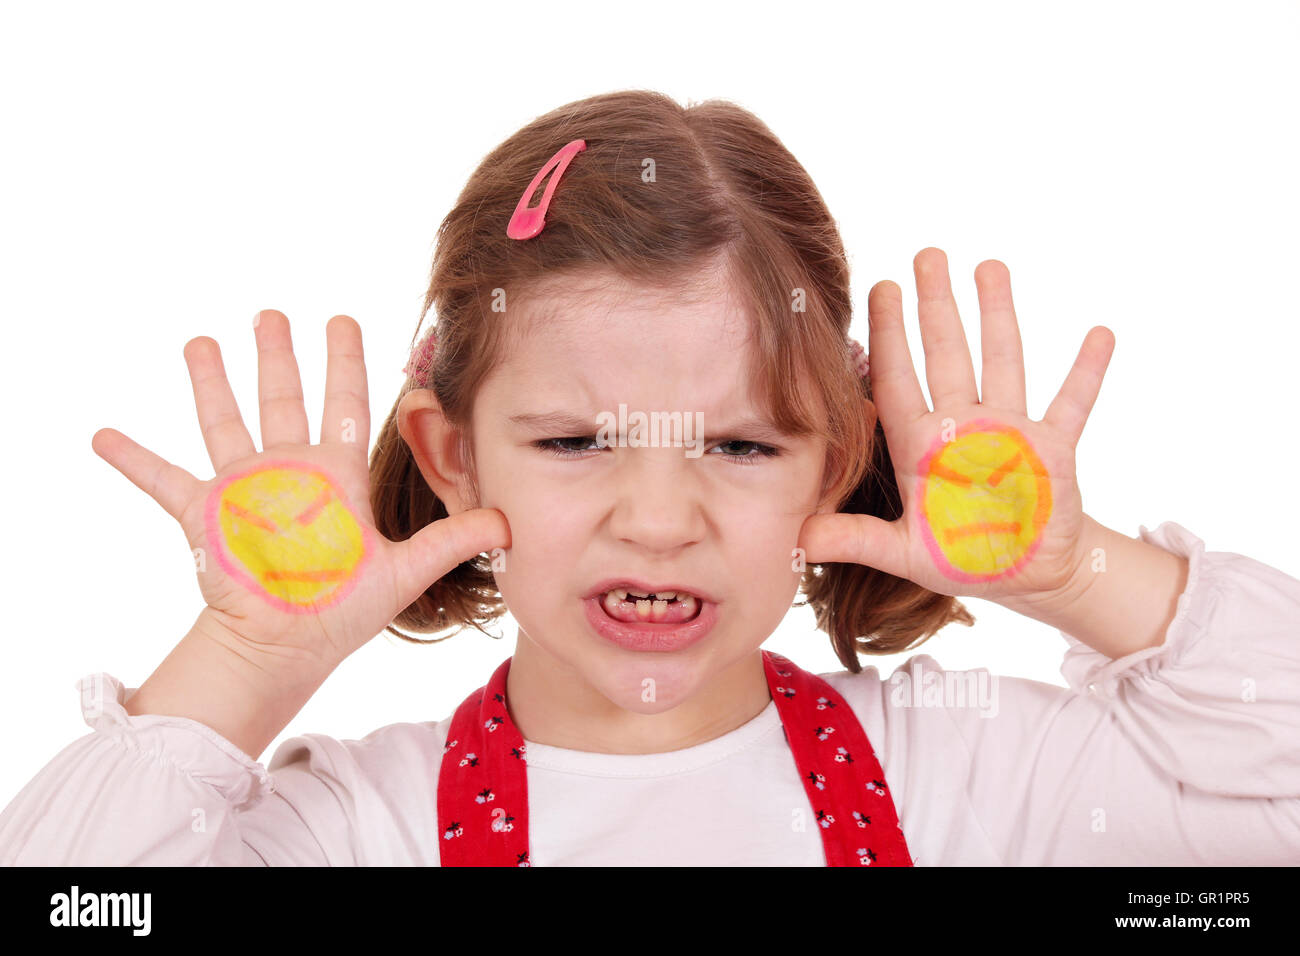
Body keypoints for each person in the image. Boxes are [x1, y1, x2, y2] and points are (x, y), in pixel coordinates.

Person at [2, 90, 1297, 866]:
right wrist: (248, 655)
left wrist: (1071, 572)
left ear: (836, 461)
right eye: (576, 442)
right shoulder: (362, 831)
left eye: (739, 447)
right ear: (456, 457)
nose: (661, 519)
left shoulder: (969, 782)